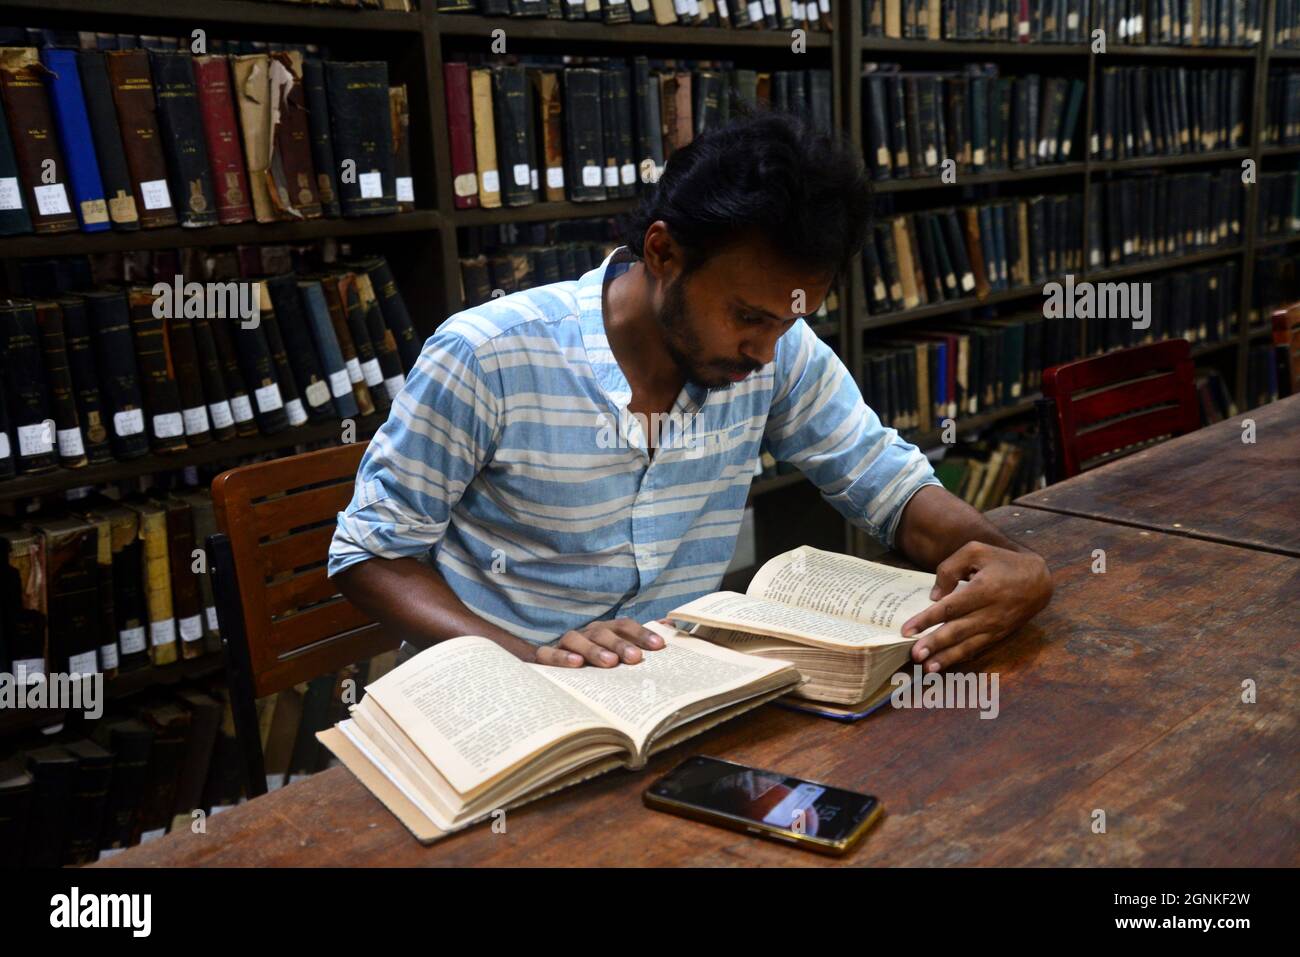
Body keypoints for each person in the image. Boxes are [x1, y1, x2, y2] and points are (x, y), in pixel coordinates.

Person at [328, 110, 1052, 673]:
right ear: (663, 253)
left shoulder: (774, 353)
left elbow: (889, 487)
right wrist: (529, 660)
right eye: (746, 316)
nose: (765, 349)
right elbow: (370, 553)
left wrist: (1013, 563)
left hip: (663, 687)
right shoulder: (488, 356)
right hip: (499, 695)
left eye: (788, 319)